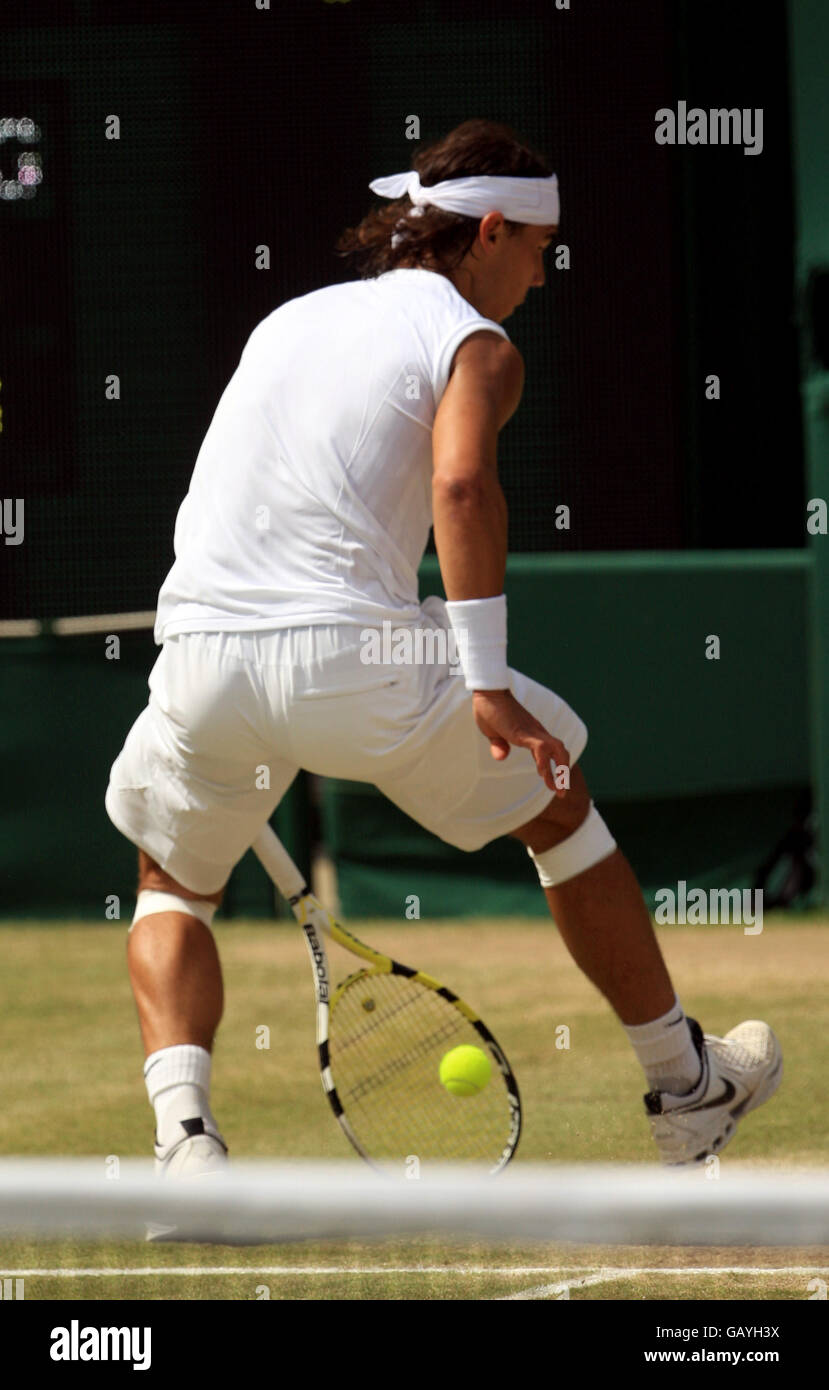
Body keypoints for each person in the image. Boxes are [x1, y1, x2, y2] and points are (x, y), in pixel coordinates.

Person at [105, 119, 781, 1178]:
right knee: (558, 801)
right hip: (350, 662)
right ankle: (686, 1085)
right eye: (540, 253)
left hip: (198, 652)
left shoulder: (288, 318)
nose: (542, 281)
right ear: (494, 231)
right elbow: (462, 486)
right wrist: (485, 678)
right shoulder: (478, 345)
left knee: (170, 882)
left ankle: (184, 1144)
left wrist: (201, 646)